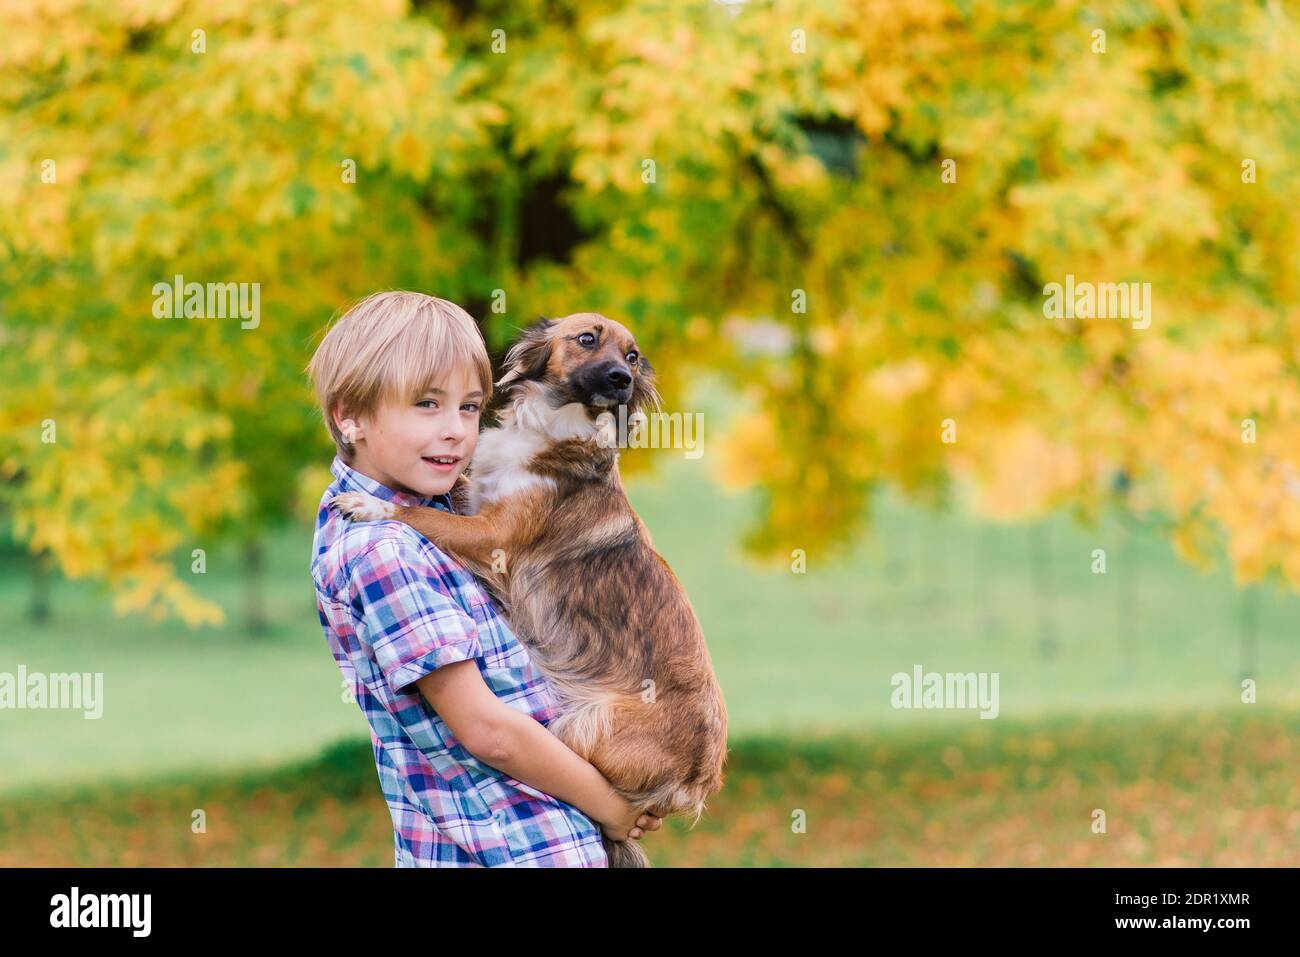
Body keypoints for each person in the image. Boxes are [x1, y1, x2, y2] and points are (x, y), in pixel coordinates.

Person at [306, 290, 660, 866]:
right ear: (350, 415)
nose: (455, 431)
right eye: (427, 404)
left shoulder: (438, 512)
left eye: (470, 408)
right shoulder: (383, 549)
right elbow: (488, 731)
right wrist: (613, 809)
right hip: (515, 848)